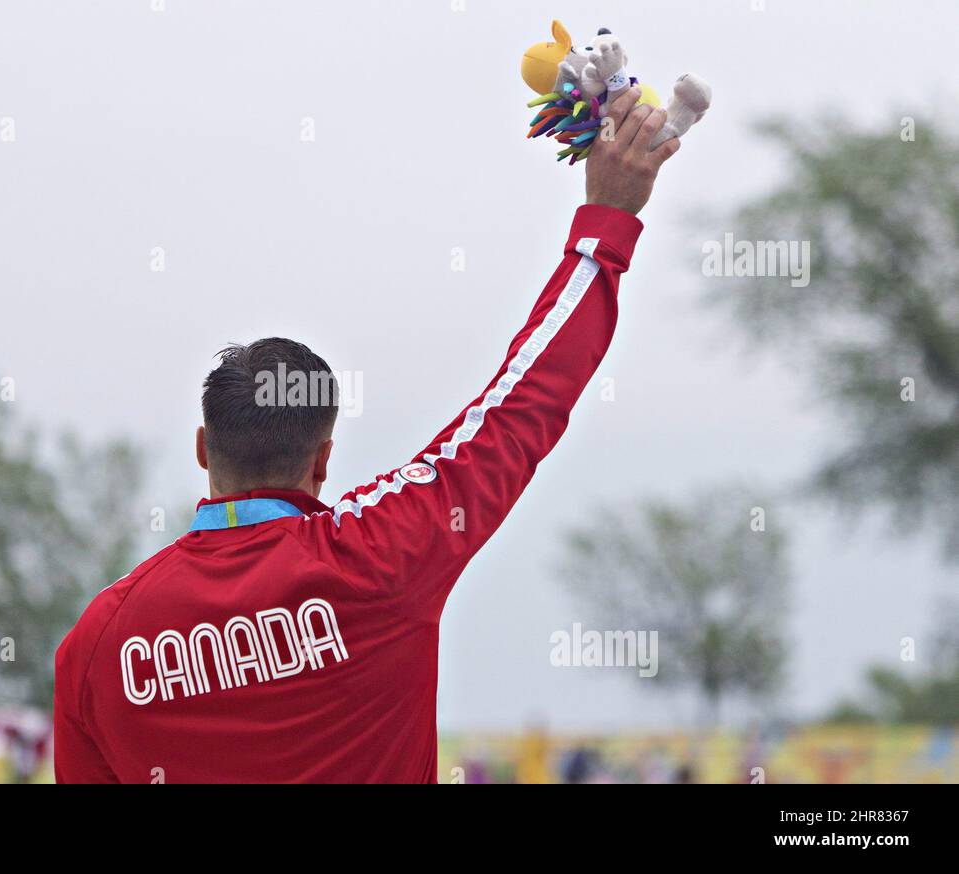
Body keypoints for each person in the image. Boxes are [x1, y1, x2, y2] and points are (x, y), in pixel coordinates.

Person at [55, 87, 682, 783]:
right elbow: (522, 405)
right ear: (322, 461)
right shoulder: (380, 552)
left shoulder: (97, 640)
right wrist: (606, 224)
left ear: (204, 449)